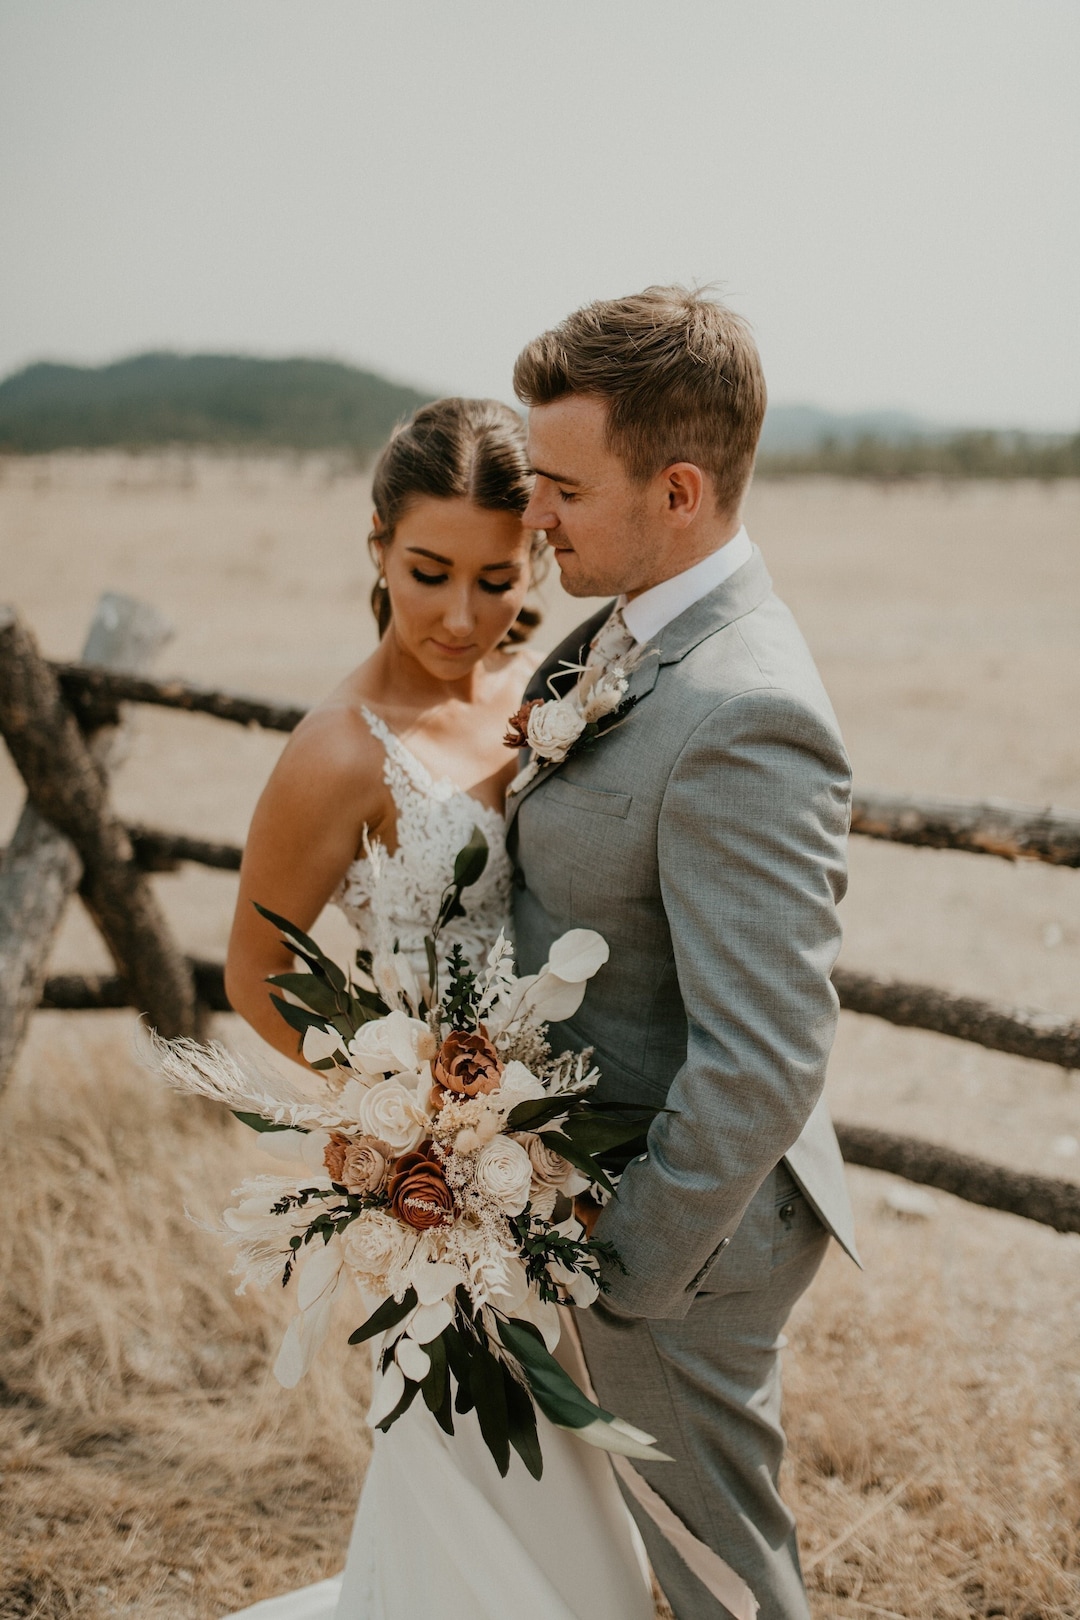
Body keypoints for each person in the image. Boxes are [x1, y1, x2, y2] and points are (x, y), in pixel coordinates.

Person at [221, 397, 654, 1620]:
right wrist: (394, 1120)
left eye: (494, 579)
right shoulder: (339, 753)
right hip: (438, 1176)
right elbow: (253, 972)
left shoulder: (541, 691)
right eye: (426, 574)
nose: (462, 619)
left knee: (570, 1460)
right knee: (475, 1440)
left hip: (556, 1150)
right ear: (375, 549)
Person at [508, 286, 860, 1620]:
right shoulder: (611, 635)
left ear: (680, 490)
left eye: (562, 487)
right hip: (575, 1195)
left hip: (680, 1242)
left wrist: (619, 1264)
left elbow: (766, 1059)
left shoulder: (747, 711)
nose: (535, 516)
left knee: (721, 1587)